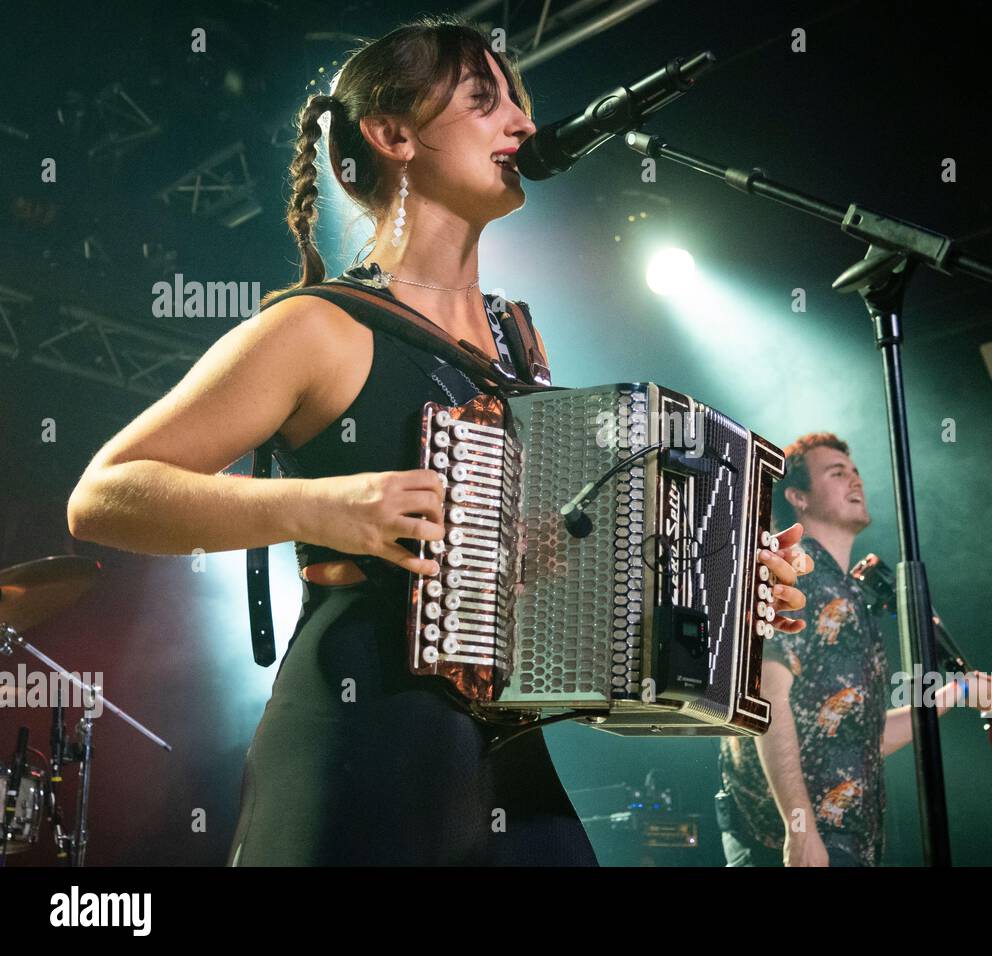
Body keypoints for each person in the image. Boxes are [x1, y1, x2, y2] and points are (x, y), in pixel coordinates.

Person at [65, 15, 808, 865]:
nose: (523, 125)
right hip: (361, 744)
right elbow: (103, 494)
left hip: (509, 764)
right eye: (484, 101)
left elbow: (551, 596)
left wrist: (716, 597)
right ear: (392, 136)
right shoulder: (319, 326)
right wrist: (329, 506)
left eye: (518, 104)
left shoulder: (520, 346)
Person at [717, 432, 992, 867]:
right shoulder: (793, 573)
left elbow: (859, 739)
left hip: (844, 844)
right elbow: (764, 704)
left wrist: (952, 696)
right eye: (836, 473)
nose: (855, 481)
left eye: (855, 472)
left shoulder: (844, 590)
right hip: (796, 844)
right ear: (798, 496)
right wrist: (801, 830)